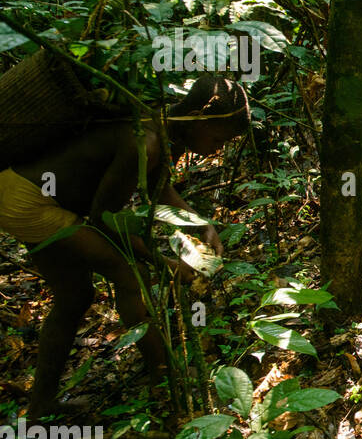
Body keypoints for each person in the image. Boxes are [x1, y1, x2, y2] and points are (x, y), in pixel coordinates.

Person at [0, 75, 250, 419]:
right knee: (131, 274)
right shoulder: (144, 142)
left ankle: (41, 405)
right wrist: (163, 262)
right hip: (30, 201)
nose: (219, 149)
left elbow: (161, 188)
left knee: (75, 296)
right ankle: (162, 380)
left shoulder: (159, 125)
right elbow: (104, 218)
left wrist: (202, 225)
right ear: (197, 117)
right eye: (219, 138)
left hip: (25, 191)